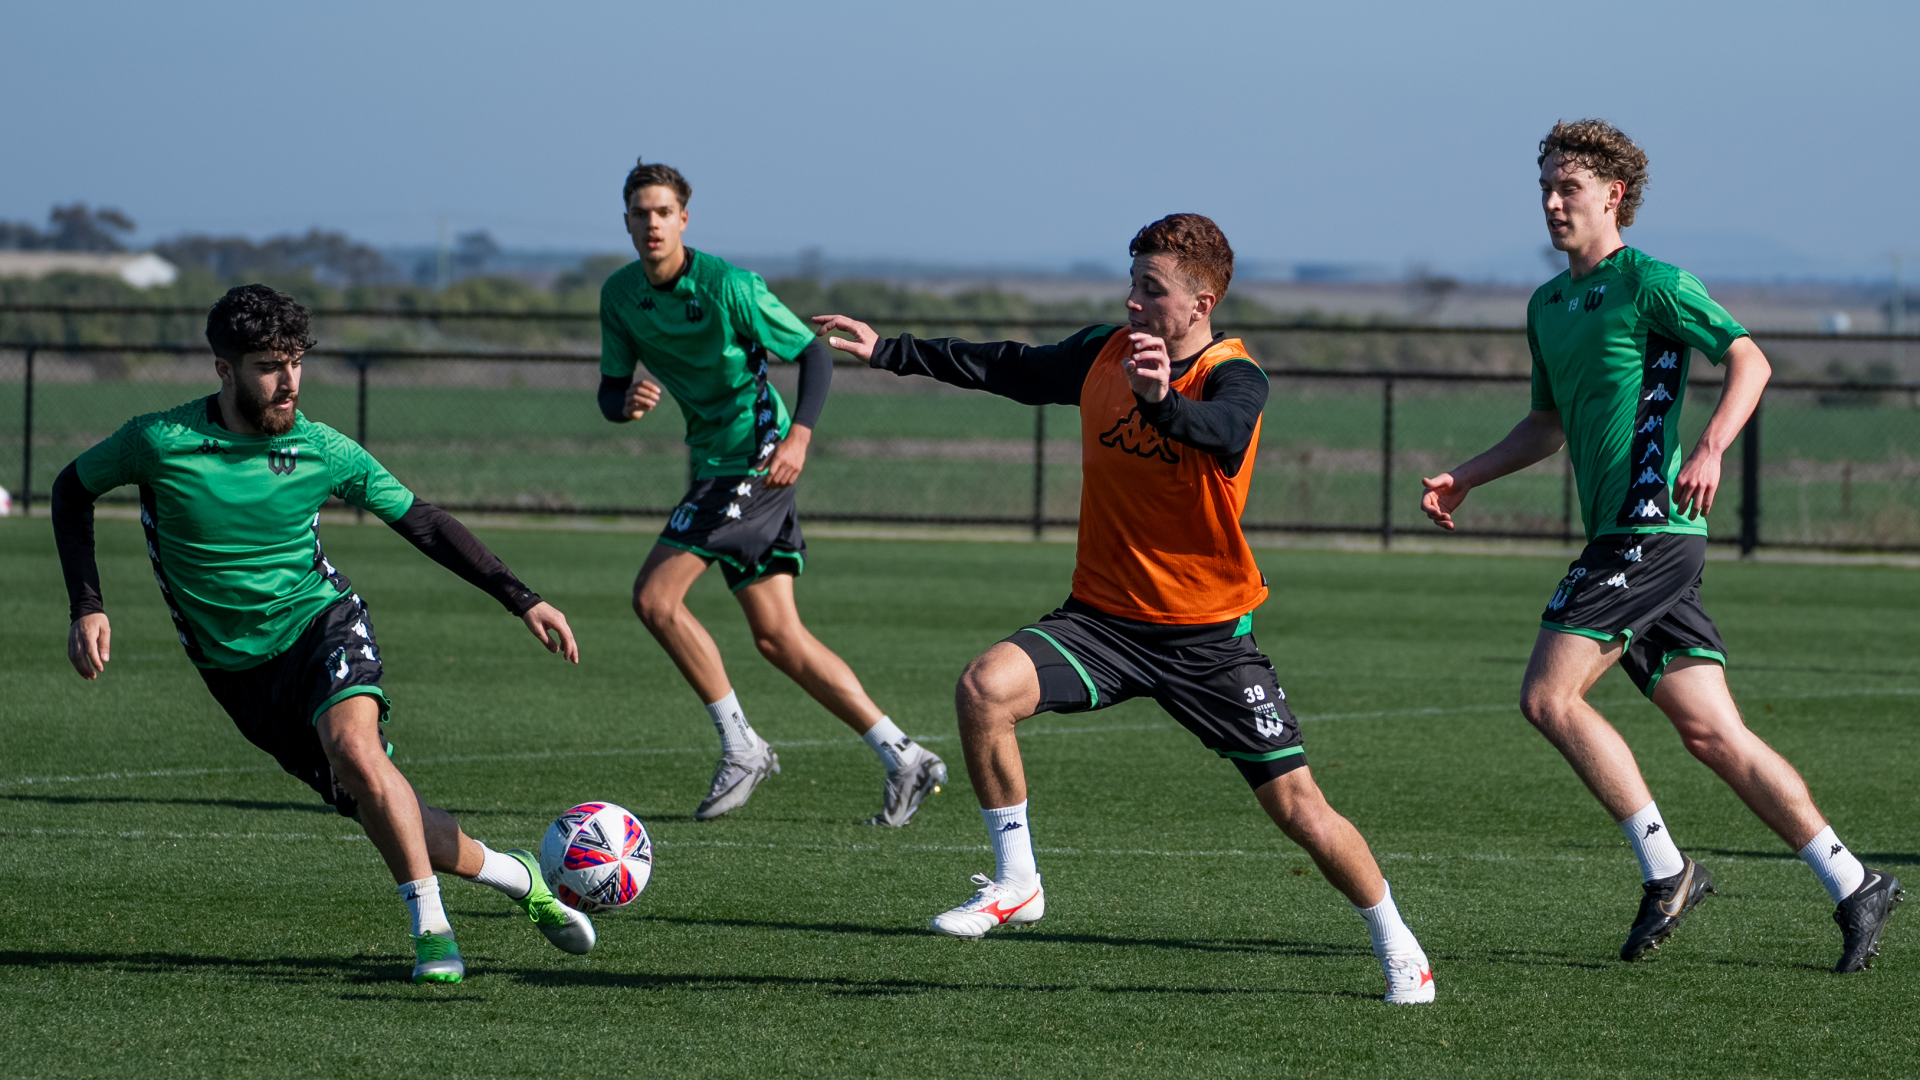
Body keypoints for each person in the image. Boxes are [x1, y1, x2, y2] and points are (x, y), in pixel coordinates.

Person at [815, 213, 1437, 1005]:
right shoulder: (1102, 352)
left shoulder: (1234, 376)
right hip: (1102, 622)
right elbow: (1009, 365)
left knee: (1300, 809)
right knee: (984, 688)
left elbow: (1223, 430)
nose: (1135, 302)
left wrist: (1159, 402)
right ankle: (1017, 883)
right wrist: (892, 352)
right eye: (1133, 284)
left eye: (1154, 289)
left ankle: (1398, 943)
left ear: (1201, 303)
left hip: (1207, 639)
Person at [1421, 119, 1901, 972]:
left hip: (1651, 529)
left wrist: (1712, 445)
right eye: (1545, 186)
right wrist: (1467, 477)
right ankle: (1855, 881)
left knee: (1548, 697)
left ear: (1614, 195)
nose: (1552, 201)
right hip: (1622, 536)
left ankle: (1668, 868)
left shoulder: (1653, 284)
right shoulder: (1549, 304)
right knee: (1714, 736)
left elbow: (1748, 359)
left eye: (1568, 186)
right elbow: (1546, 425)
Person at [53, 285, 594, 986]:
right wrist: (87, 604)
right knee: (377, 798)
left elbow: (422, 521)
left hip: (323, 623)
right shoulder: (158, 442)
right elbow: (71, 490)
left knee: (356, 752)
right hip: (238, 673)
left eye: (296, 363)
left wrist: (522, 598)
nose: (288, 383)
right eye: (268, 368)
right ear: (224, 370)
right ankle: (518, 876)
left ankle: (432, 931)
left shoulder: (321, 448)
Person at [597, 158, 946, 825]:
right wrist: (627, 403)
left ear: (684, 220)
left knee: (655, 598)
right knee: (778, 638)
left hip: (755, 461)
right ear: (627, 221)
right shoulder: (620, 296)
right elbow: (612, 389)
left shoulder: (728, 284)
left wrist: (800, 438)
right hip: (713, 465)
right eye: (640, 213)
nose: (651, 224)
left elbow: (812, 352)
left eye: (663, 212)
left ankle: (741, 747)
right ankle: (903, 755)